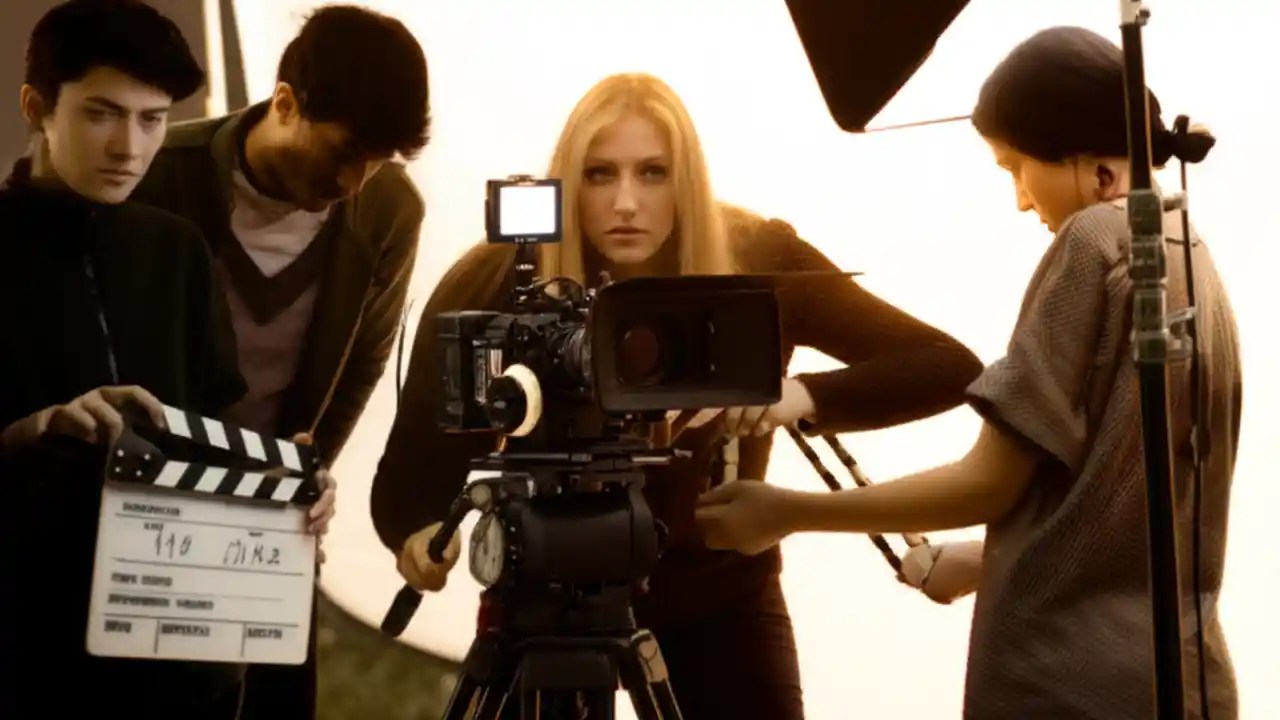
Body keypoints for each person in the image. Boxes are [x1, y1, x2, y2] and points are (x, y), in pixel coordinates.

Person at [370, 72, 985, 719]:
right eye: (600, 174)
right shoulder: (500, 276)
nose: (626, 202)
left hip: (720, 593)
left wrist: (800, 394)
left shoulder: (755, 257)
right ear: (567, 181)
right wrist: (418, 536)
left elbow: (946, 365)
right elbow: (410, 474)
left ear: (687, 179)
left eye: (653, 173)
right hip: (544, 595)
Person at [696, 26, 1241, 720]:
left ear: (1100, 173)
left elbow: (989, 482)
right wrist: (989, 561)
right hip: (1186, 681)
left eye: (1016, 169)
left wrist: (791, 512)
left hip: (1064, 689)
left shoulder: (1092, 241)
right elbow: (1125, 518)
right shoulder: (1188, 249)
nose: (1020, 200)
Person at [0, 2, 329, 718]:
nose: (129, 146)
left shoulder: (178, 251)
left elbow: (213, 429)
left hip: (173, 660)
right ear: (36, 107)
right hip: (25, 653)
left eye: (152, 120)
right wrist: (34, 430)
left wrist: (285, 487)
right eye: (101, 114)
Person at [129, 5, 429, 718]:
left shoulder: (389, 211)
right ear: (287, 103)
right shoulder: (162, 174)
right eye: (345, 151)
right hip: (149, 511)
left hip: (270, 516)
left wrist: (305, 464)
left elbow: (361, 363)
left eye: (379, 160)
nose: (356, 180)